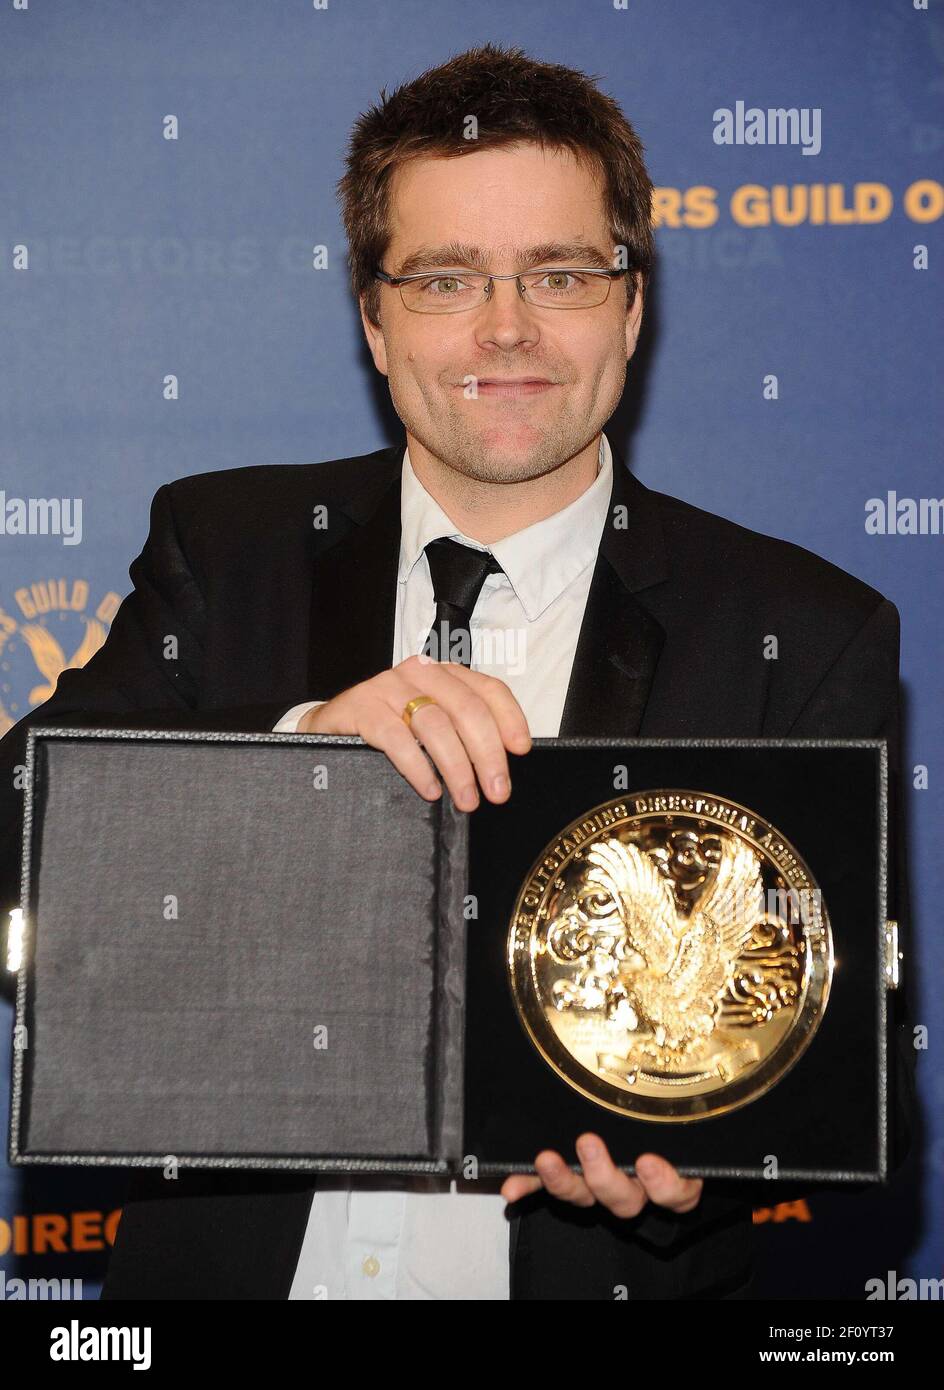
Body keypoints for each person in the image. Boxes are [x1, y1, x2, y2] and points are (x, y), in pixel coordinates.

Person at [0, 44, 913, 1301]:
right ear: (372, 321)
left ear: (631, 305)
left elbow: (862, 1111)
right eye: (442, 279)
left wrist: (706, 1179)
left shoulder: (805, 631)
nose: (505, 327)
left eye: (559, 272)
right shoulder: (226, 547)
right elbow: (25, 830)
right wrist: (298, 739)